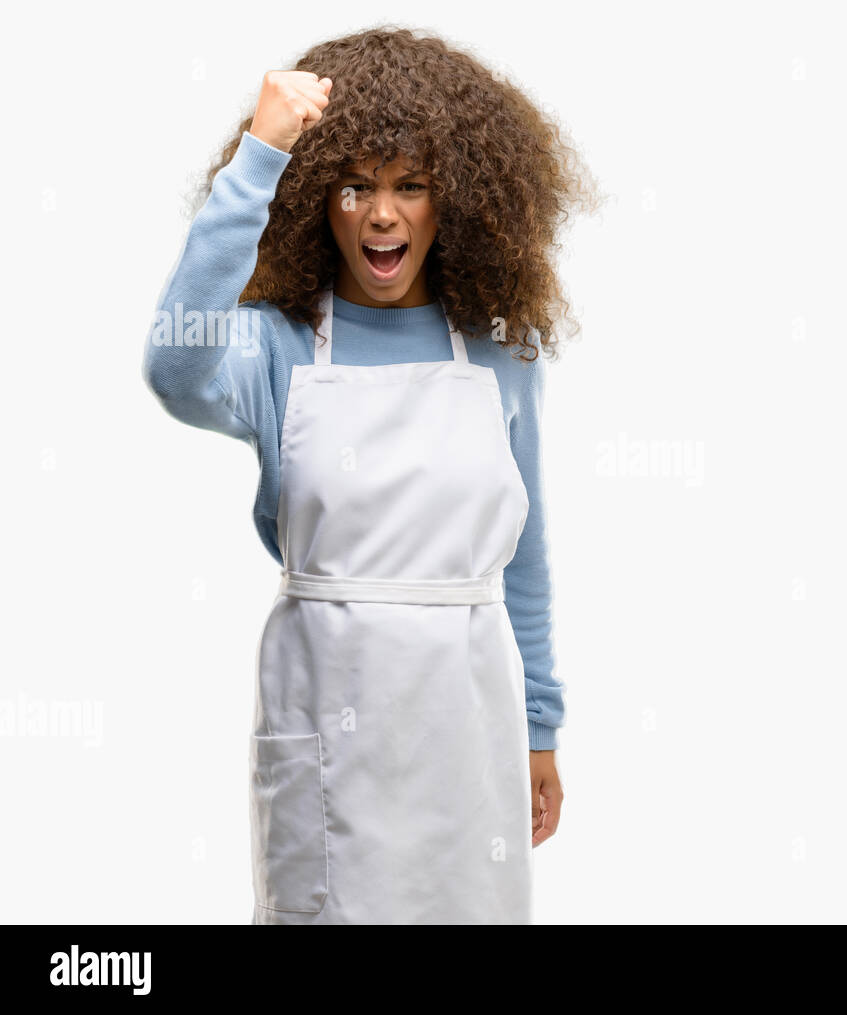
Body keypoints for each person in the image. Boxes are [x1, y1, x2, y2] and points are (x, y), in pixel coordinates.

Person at [142, 26, 595, 924]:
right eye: (354, 184)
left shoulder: (502, 352)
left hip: (467, 726)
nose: (382, 214)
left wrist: (541, 726)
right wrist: (259, 157)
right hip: (327, 721)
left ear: (453, 200)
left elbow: (527, 557)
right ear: (319, 198)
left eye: (410, 185)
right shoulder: (278, 346)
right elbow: (172, 368)